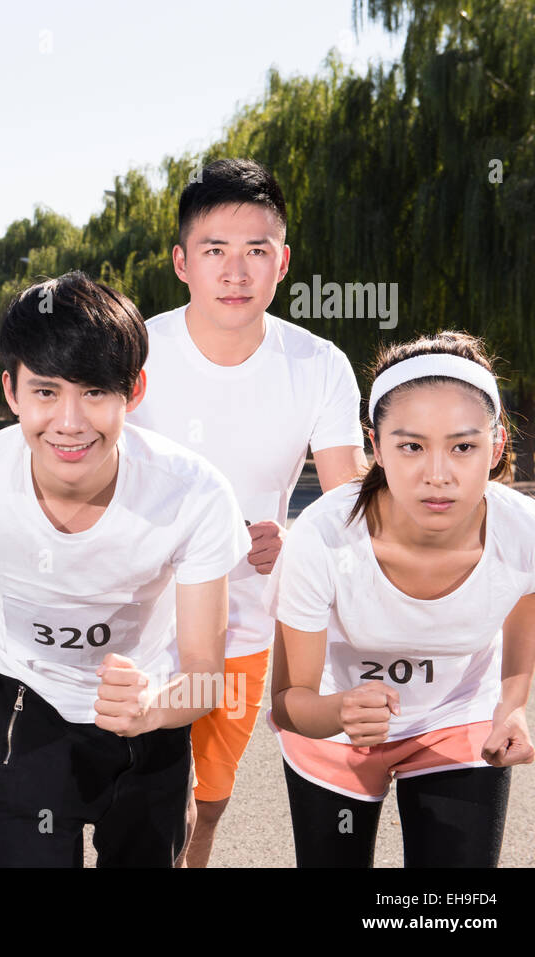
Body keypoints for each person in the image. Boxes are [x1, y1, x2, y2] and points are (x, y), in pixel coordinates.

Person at [0, 271, 250, 867]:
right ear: (11, 391)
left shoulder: (192, 494)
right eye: (45, 392)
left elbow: (204, 674)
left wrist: (152, 709)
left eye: (94, 392)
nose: (69, 422)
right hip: (26, 698)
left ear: (133, 391)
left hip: (151, 707)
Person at [124, 158, 367, 867]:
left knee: (213, 789)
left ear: (282, 261)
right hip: (142, 610)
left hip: (248, 613)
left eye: (256, 251)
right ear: (181, 261)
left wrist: (295, 539)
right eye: (215, 251)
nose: (236, 272)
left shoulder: (318, 364)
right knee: (151, 789)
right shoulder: (134, 350)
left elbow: (347, 503)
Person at [266, 331, 535, 868]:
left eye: (463, 446)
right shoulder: (323, 536)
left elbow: (534, 591)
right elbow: (286, 702)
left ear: (497, 446)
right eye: (411, 446)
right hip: (333, 728)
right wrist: (336, 711)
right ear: (375, 445)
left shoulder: (530, 533)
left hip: (456, 717)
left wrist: (511, 709)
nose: (437, 475)